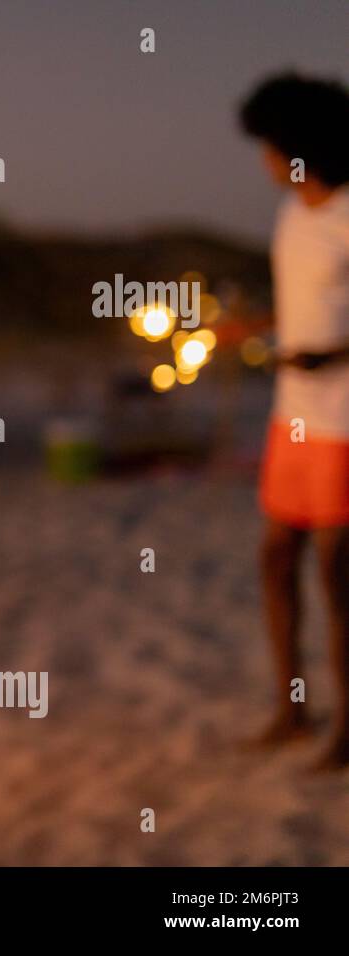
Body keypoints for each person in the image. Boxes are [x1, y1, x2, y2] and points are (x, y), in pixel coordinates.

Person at [241, 73, 349, 769]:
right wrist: (249, 331)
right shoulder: (293, 216)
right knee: (276, 559)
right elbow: (305, 308)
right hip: (295, 419)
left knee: (339, 575)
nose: (264, 160)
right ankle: (292, 705)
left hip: (347, 422)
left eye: (270, 145)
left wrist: (329, 354)